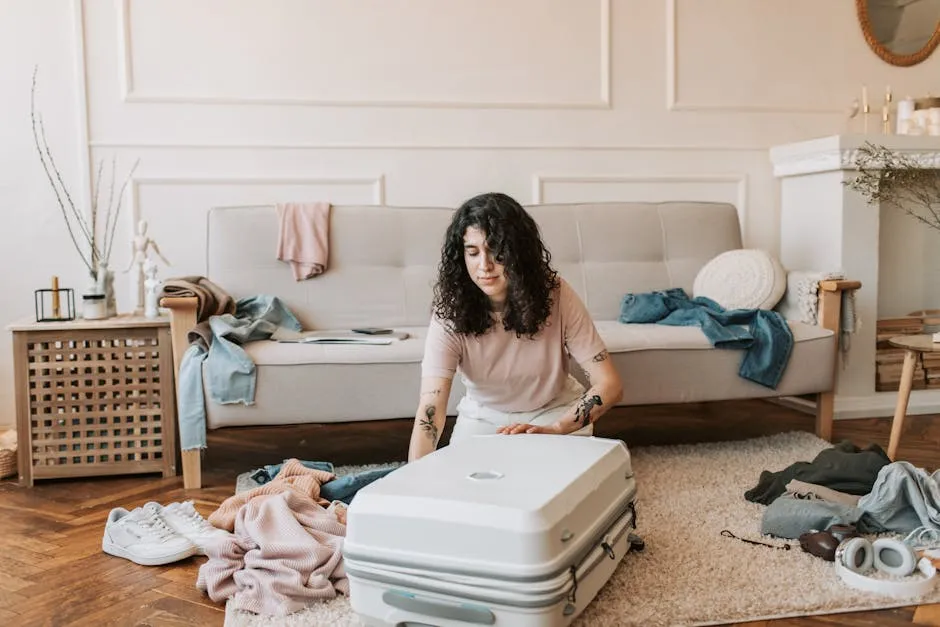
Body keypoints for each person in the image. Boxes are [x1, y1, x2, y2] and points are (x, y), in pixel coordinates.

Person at [407, 192, 623, 462]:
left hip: (555, 410)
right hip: (484, 416)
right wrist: (413, 481)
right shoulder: (449, 313)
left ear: (518, 252)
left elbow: (609, 384)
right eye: (473, 252)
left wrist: (555, 430)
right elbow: (430, 409)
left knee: (556, 490)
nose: (484, 266)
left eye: (497, 252)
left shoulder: (556, 294)